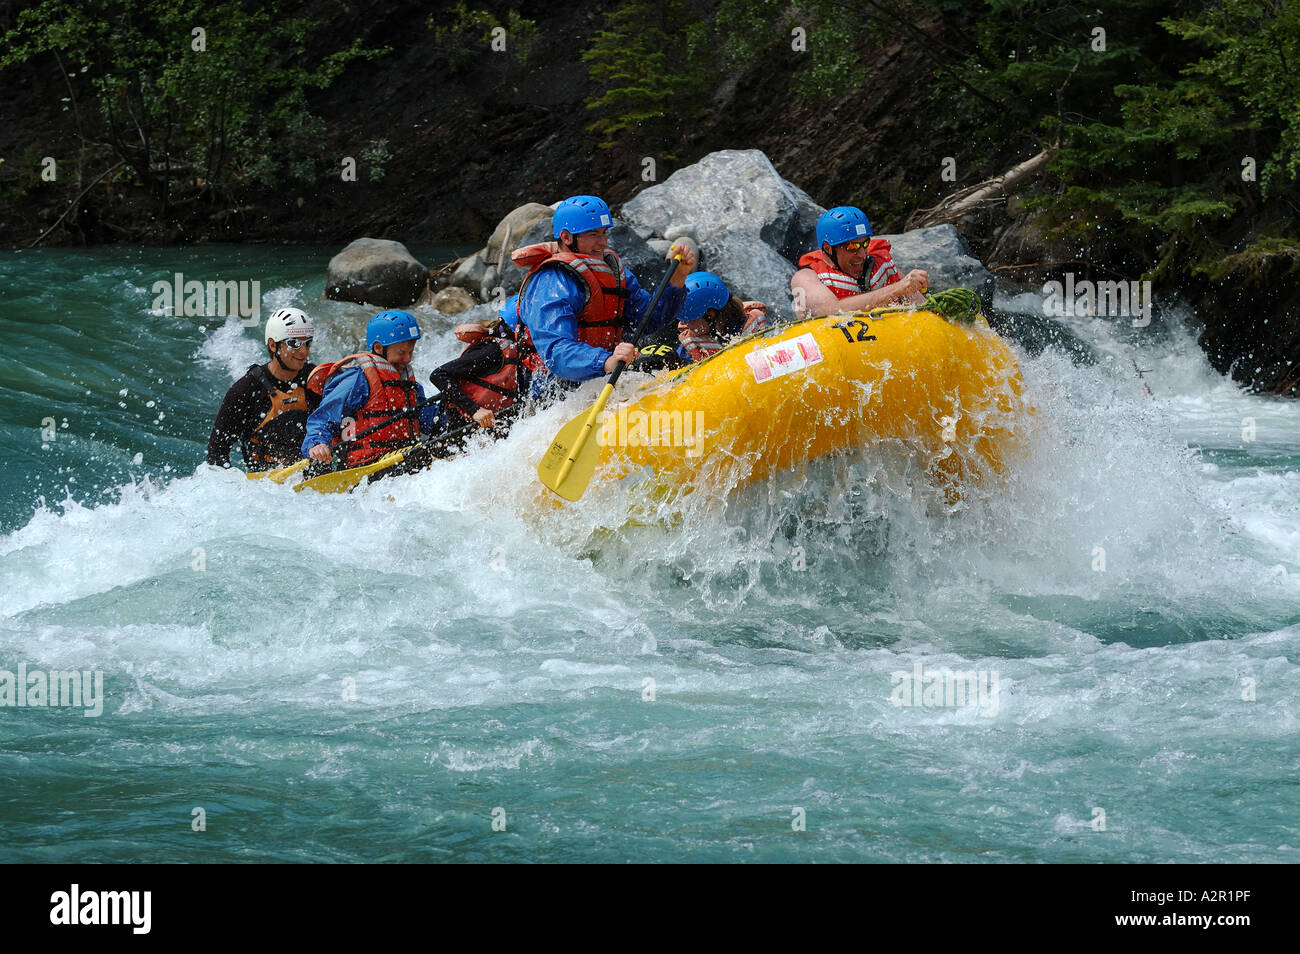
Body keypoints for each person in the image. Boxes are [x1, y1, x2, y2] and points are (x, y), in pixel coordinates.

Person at [510, 195, 695, 399]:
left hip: (602, 375)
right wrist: (605, 362)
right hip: (554, 390)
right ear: (566, 237)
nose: (603, 242)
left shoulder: (611, 270)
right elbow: (556, 352)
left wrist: (677, 280)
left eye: (604, 233)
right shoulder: (552, 281)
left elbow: (651, 319)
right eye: (593, 234)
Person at [301, 310, 442, 469]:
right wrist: (317, 444)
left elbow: (428, 420)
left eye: (410, 352)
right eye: (402, 352)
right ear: (378, 347)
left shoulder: (408, 384)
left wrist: (455, 412)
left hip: (403, 458)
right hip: (363, 467)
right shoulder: (357, 380)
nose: (408, 359)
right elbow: (323, 418)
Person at [207, 307, 321, 471]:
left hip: (313, 474)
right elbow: (216, 452)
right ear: (273, 345)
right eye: (294, 343)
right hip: (265, 484)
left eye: (307, 342)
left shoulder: (316, 378)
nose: (303, 351)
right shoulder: (245, 390)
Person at [790, 206, 929, 318]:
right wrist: (897, 289)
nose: (862, 255)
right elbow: (830, 311)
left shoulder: (882, 267)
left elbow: (923, 310)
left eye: (865, 244)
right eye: (852, 247)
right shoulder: (805, 278)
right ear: (828, 248)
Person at [427, 298, 522, 431]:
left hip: (492, 427)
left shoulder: (520, 351)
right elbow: (439, 374)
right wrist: (475, 410)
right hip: (464, 427)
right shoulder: (492, 351)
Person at [675, 271, 771, 363]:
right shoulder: (691, 342)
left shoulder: (754, 326)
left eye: (688, 319)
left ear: (710, 315)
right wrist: (673, 360)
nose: (685, 324)